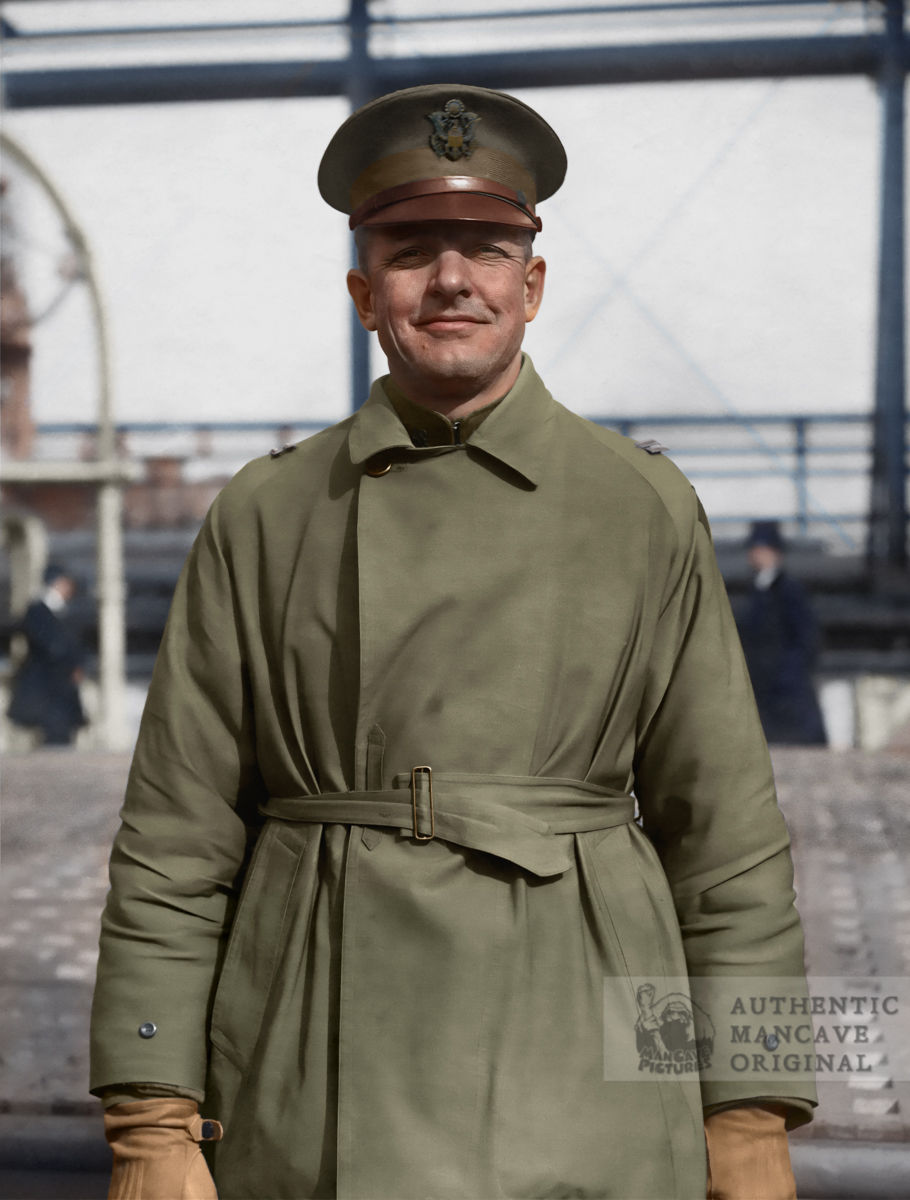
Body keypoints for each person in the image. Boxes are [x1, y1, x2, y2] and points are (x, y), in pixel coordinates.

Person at [91, 85, 815, 1200]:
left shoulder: (641, 507)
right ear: (362, 292)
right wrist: (150, 1114)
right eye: (411, 250)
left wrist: (750, 1111)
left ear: (532, 285)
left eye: (484, 249)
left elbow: (724, 836)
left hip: (593, 1057)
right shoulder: (266, 513)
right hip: (306, 1051)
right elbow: (175, 839)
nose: (451, 281)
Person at [739, 521, 828, 746]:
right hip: (764, 681)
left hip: (788, 684)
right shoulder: (757, 590)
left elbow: (805, 635)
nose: (756, 556)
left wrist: (791, 669)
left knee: (799, 739)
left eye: (761, 550)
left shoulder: (789, 590)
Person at [8, 563, 86, 746]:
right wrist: (70, 662)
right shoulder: (37, 610)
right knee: (52, 733)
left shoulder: (62, 611)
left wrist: (77, 664)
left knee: (61, 731)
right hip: (45, 684)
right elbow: (51, 644)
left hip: (59, 685)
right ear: (57, 583)